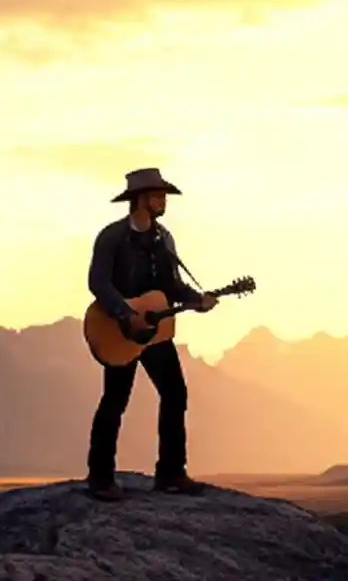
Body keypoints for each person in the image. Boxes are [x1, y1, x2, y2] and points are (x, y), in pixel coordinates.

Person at [85, 167, 218, 501]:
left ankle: (171, 473)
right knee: (115, 400)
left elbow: (171, 285)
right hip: (120, 330)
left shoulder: (164, 239)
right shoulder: (112, 237)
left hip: (156, 333)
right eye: (157, 196)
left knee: (175, 394)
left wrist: (195, 300)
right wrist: (126, 314)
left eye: (163, 196)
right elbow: (98, 283)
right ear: (140, 200)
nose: (162, 202)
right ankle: (100, 477)